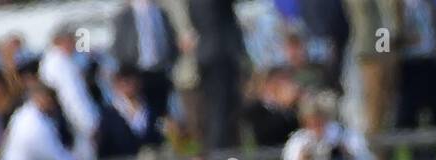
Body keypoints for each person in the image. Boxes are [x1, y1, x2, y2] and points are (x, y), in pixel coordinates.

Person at [395, 0, 436, 160]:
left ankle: (434, 154)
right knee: (410, 113)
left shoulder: (429, 4)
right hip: (410, 64)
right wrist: (403, 38)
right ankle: (414, 156)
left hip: (431, 61)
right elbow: (385, 35)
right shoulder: (397, 6)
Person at [0, 80, 78, 160]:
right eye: (49, 98)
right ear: (39, 97)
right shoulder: (32, 123)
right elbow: (54, 158)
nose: (52, 103)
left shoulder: (27, 115)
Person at [39, 25, 100, 160]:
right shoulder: (58, 63)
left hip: (69, 121)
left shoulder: (61, 60)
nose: (74, 44)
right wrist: (89, 124)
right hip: (72, 123)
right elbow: (71, 97)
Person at [188, 0, 247, 150]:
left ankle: (221, 156)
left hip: (208, 54)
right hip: (220, 54)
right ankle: (222, 158)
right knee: (222, 112)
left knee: (216, 110)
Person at [279, 88, 374, 160]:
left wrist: (349, 155)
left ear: (327, 118)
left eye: (319, 122)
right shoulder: (298, 142)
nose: (316, 127)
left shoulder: (347, 136)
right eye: (310, 123)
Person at [348, 0, 401, 160]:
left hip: (379, 50)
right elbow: (380, 20)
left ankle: (381, 157)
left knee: (385, 108)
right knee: (375, 110)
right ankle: (374, 159)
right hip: (373, 53)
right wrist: (384, 51)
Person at [111, 0, 177, 122]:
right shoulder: (125, 15)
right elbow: (118, 47)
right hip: (137, 72)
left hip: (160, 71)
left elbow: (170, 40)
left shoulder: (160, 12)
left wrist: (170, 63)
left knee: (162, 114)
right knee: (143, 115)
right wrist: (127, 75)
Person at [244, 66, 301, 146]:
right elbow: (264, 134)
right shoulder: (255, 108)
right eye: (280, 80)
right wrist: (285, 107)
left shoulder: (294, 106)